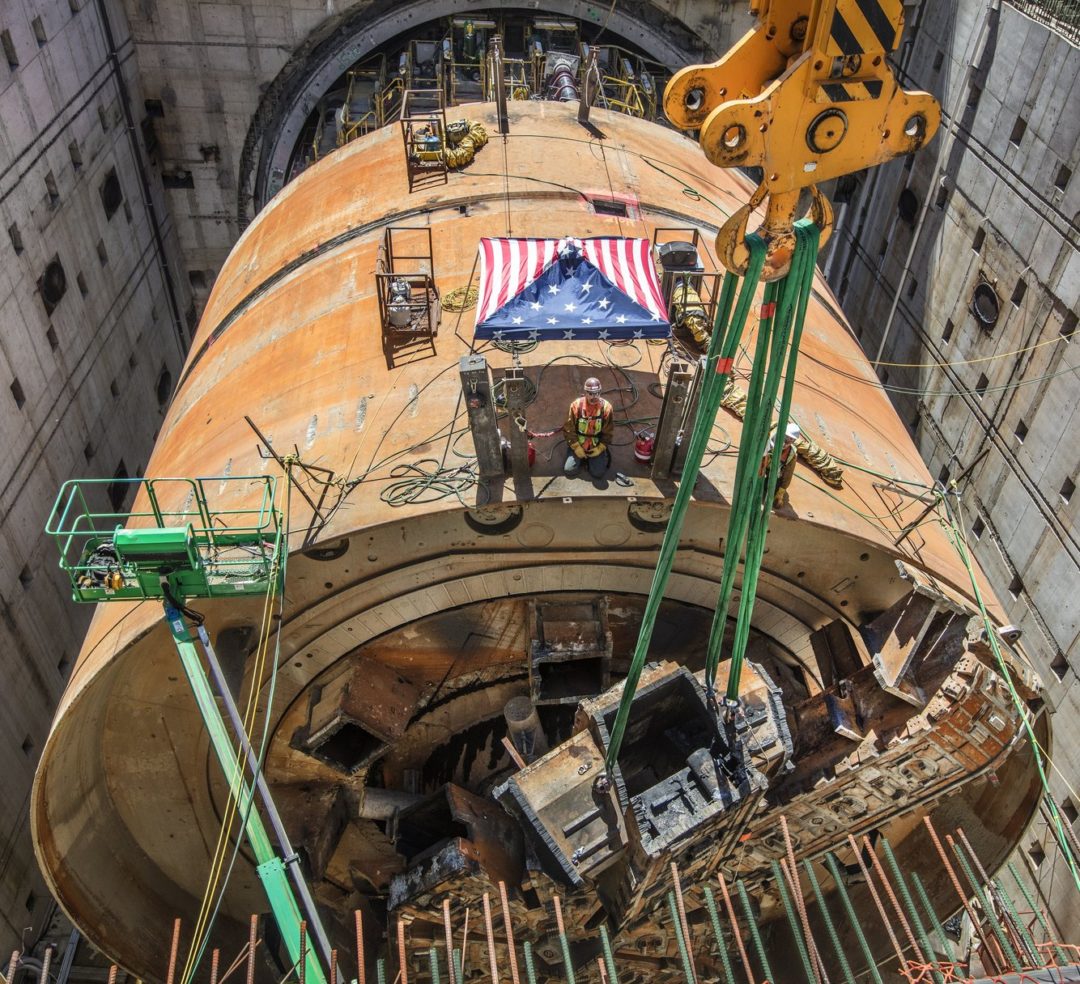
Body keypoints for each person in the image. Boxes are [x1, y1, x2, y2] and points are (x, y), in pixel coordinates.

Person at [564, 377, 614, 478]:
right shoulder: (576, 406)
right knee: (569, 471)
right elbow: (569, 429)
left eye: (597, 393)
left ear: (600, 392)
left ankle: (591, 459)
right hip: (578, 443)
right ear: (585, 393)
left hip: (596, 445)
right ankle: (577, 455)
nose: (594, 397)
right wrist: (576, 447)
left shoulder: (607, 408)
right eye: (590, 394)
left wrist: (600, 448)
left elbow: (608, 432)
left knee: (598, 473)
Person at [761, 422, 801, 509]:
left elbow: (788, 474)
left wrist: (781, 492)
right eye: (787, 437)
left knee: (770, 488)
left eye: (791, 440)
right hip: (761, 465)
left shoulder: (791, 454)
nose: (788, 441)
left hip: (774, 471)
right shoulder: (767, 439)